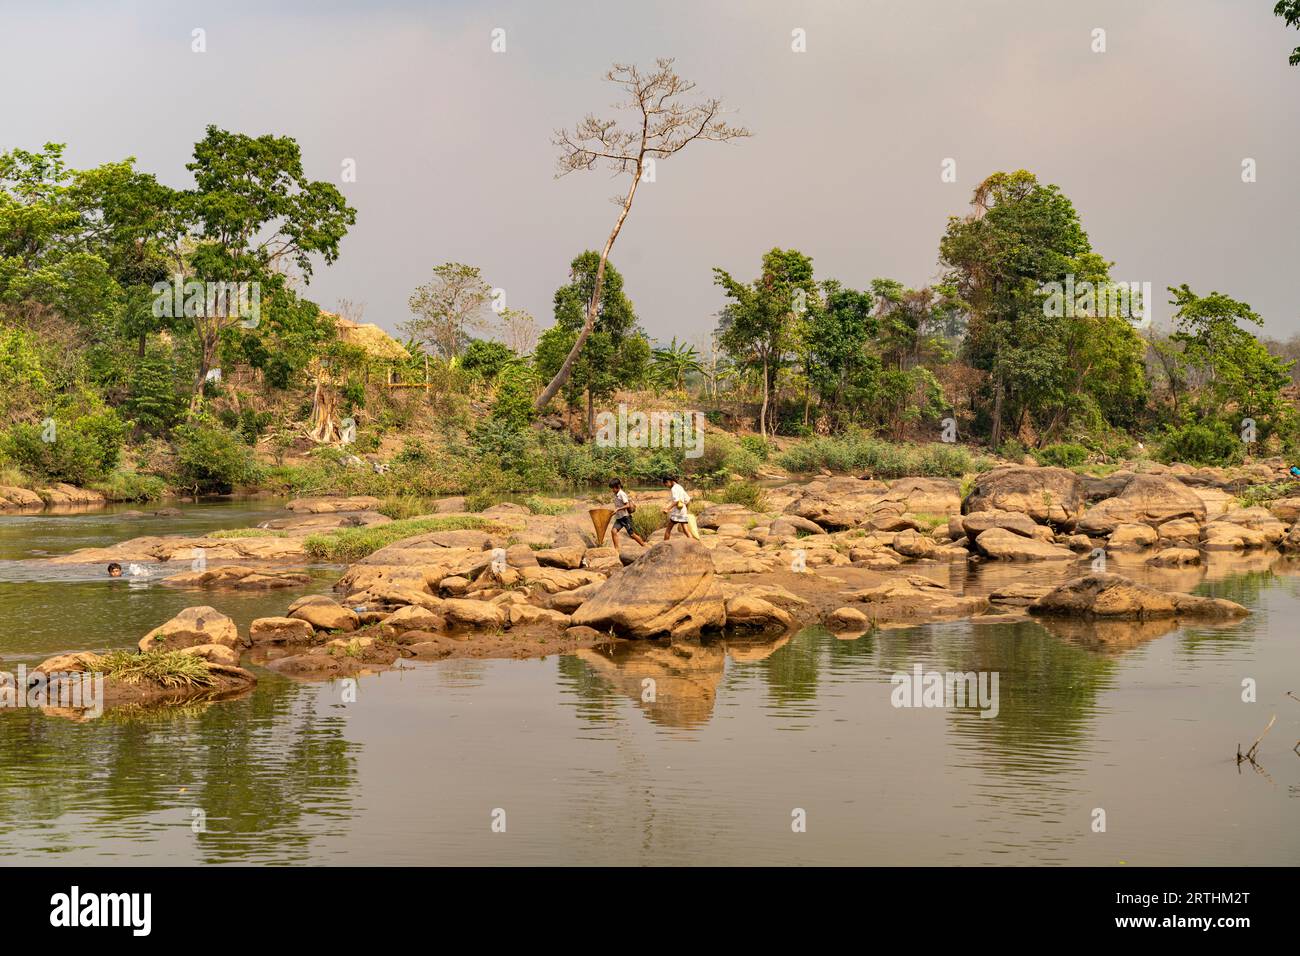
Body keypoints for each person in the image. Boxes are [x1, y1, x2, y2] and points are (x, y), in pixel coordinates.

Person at [608, 479, 647, 549]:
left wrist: (618, 509)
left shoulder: (622, 494)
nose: (612, 490)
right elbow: (618, 506)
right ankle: (617, 550)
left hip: (626, 518)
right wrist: (614, 512)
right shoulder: (616, 494)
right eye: (612, 488)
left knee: (632, 534)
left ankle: (644, 545)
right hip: (619, 518)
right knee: (613, 531)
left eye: (613, 488)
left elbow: (627, 505)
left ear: (618, 486)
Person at [661, 475, 699, 541]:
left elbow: (676, 500)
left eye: (666, 485)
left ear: (668, 481)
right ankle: (692, 543)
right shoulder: (680, 487)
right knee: (685, 529)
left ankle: (665, 545)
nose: (667, 486)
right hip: (683, 509)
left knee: (668, 529)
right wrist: (686, 510)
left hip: (677, 511)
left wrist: (667, 509)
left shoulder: (674, 488)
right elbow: (687, 500)